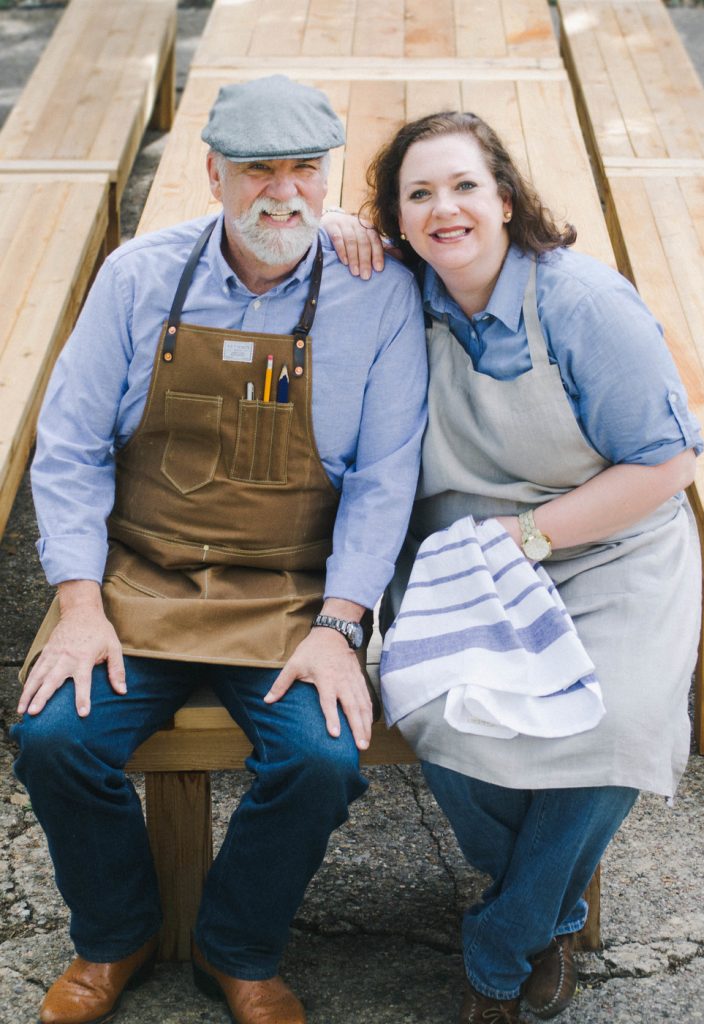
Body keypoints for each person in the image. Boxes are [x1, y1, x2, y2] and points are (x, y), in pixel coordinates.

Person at [11, 76, 427, 1024]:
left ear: (328, 180)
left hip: (291, 591)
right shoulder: (137, 277)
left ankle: (234, 948)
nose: (281, 192)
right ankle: (114, 937)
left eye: (303, 170)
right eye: (255, 170)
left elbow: (382, 478)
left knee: (322, 760)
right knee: (52, 739)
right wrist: (79, 607)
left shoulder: (378, 290)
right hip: (140, 578)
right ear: (211, 173)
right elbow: (69, 449)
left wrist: (341, 622)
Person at [323, 111, 702, 1023]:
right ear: (395, 220)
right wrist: (329, 228)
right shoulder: (392, 293)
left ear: (504, 196)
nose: (444, 208)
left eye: (463, 186)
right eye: (418, 194)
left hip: (608, 545)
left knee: (616, 723)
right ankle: (552, 911)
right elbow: (264, 231)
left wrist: (529, 536)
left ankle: (503, 941)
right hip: (460, 560)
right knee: (444, 715)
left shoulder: (581, 303)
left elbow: (666, 463)